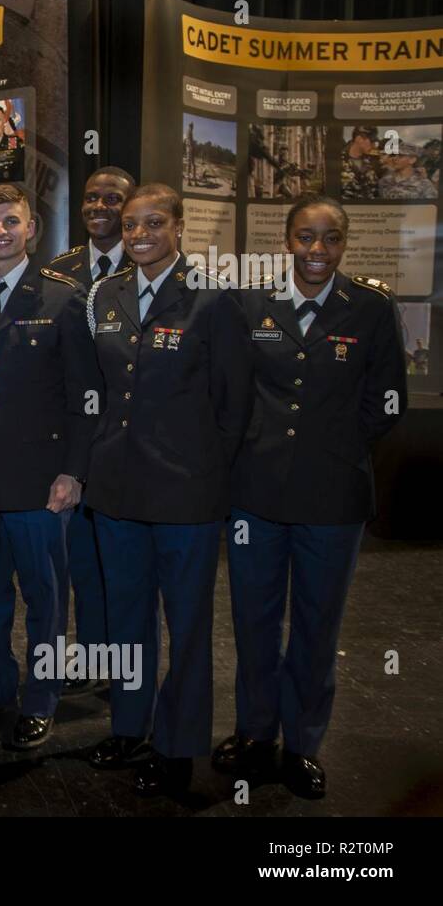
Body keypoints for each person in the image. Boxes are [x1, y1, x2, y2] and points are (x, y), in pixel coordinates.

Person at [214, 194, 407, 799]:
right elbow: (232, 396)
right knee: (254, 619)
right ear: (287, 240)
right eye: (305, 237)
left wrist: (331, 450)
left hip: (334, 497)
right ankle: (253, 732)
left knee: (319, 625)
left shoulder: (371, 307)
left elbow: (387, 402)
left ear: (344, 244)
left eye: (329, 239)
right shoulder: (251, 305)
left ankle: (302, 744)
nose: (316, 251)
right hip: (257, 494)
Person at [84, 183, 254, 796]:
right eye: (131, 224)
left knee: (186, 628)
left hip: (187, 495)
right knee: (125, 620)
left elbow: (235, 407)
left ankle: (180, 746)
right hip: (117, 492)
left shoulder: (212, 301)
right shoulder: (105, 295)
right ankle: (130, 727)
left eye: (154, 222)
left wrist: (207, 473)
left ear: (179, 226)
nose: (140, 234)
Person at [0, 184, 102, 749]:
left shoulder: (64, 298)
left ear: (31, 228)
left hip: (39, 484)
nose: (0, 231)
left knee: (46, 599)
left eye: (12, 221)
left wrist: (73, 471)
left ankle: (42, 697)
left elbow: (87, 396)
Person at [44, 165, 135, 695]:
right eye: (92, 197)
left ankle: (122, 665)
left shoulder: (149, 264)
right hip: (76, 435)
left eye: (113, 198)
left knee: (123, 566)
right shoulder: (60, 271)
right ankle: (91, 653)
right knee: (80, 559)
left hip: (129, 436)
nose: (100, 206)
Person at [340, 126, 380, 200]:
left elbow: (376, 192)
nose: (374, 145)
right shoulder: (337, 161)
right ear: (359, 139)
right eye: (371, 141)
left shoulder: (373, 163)